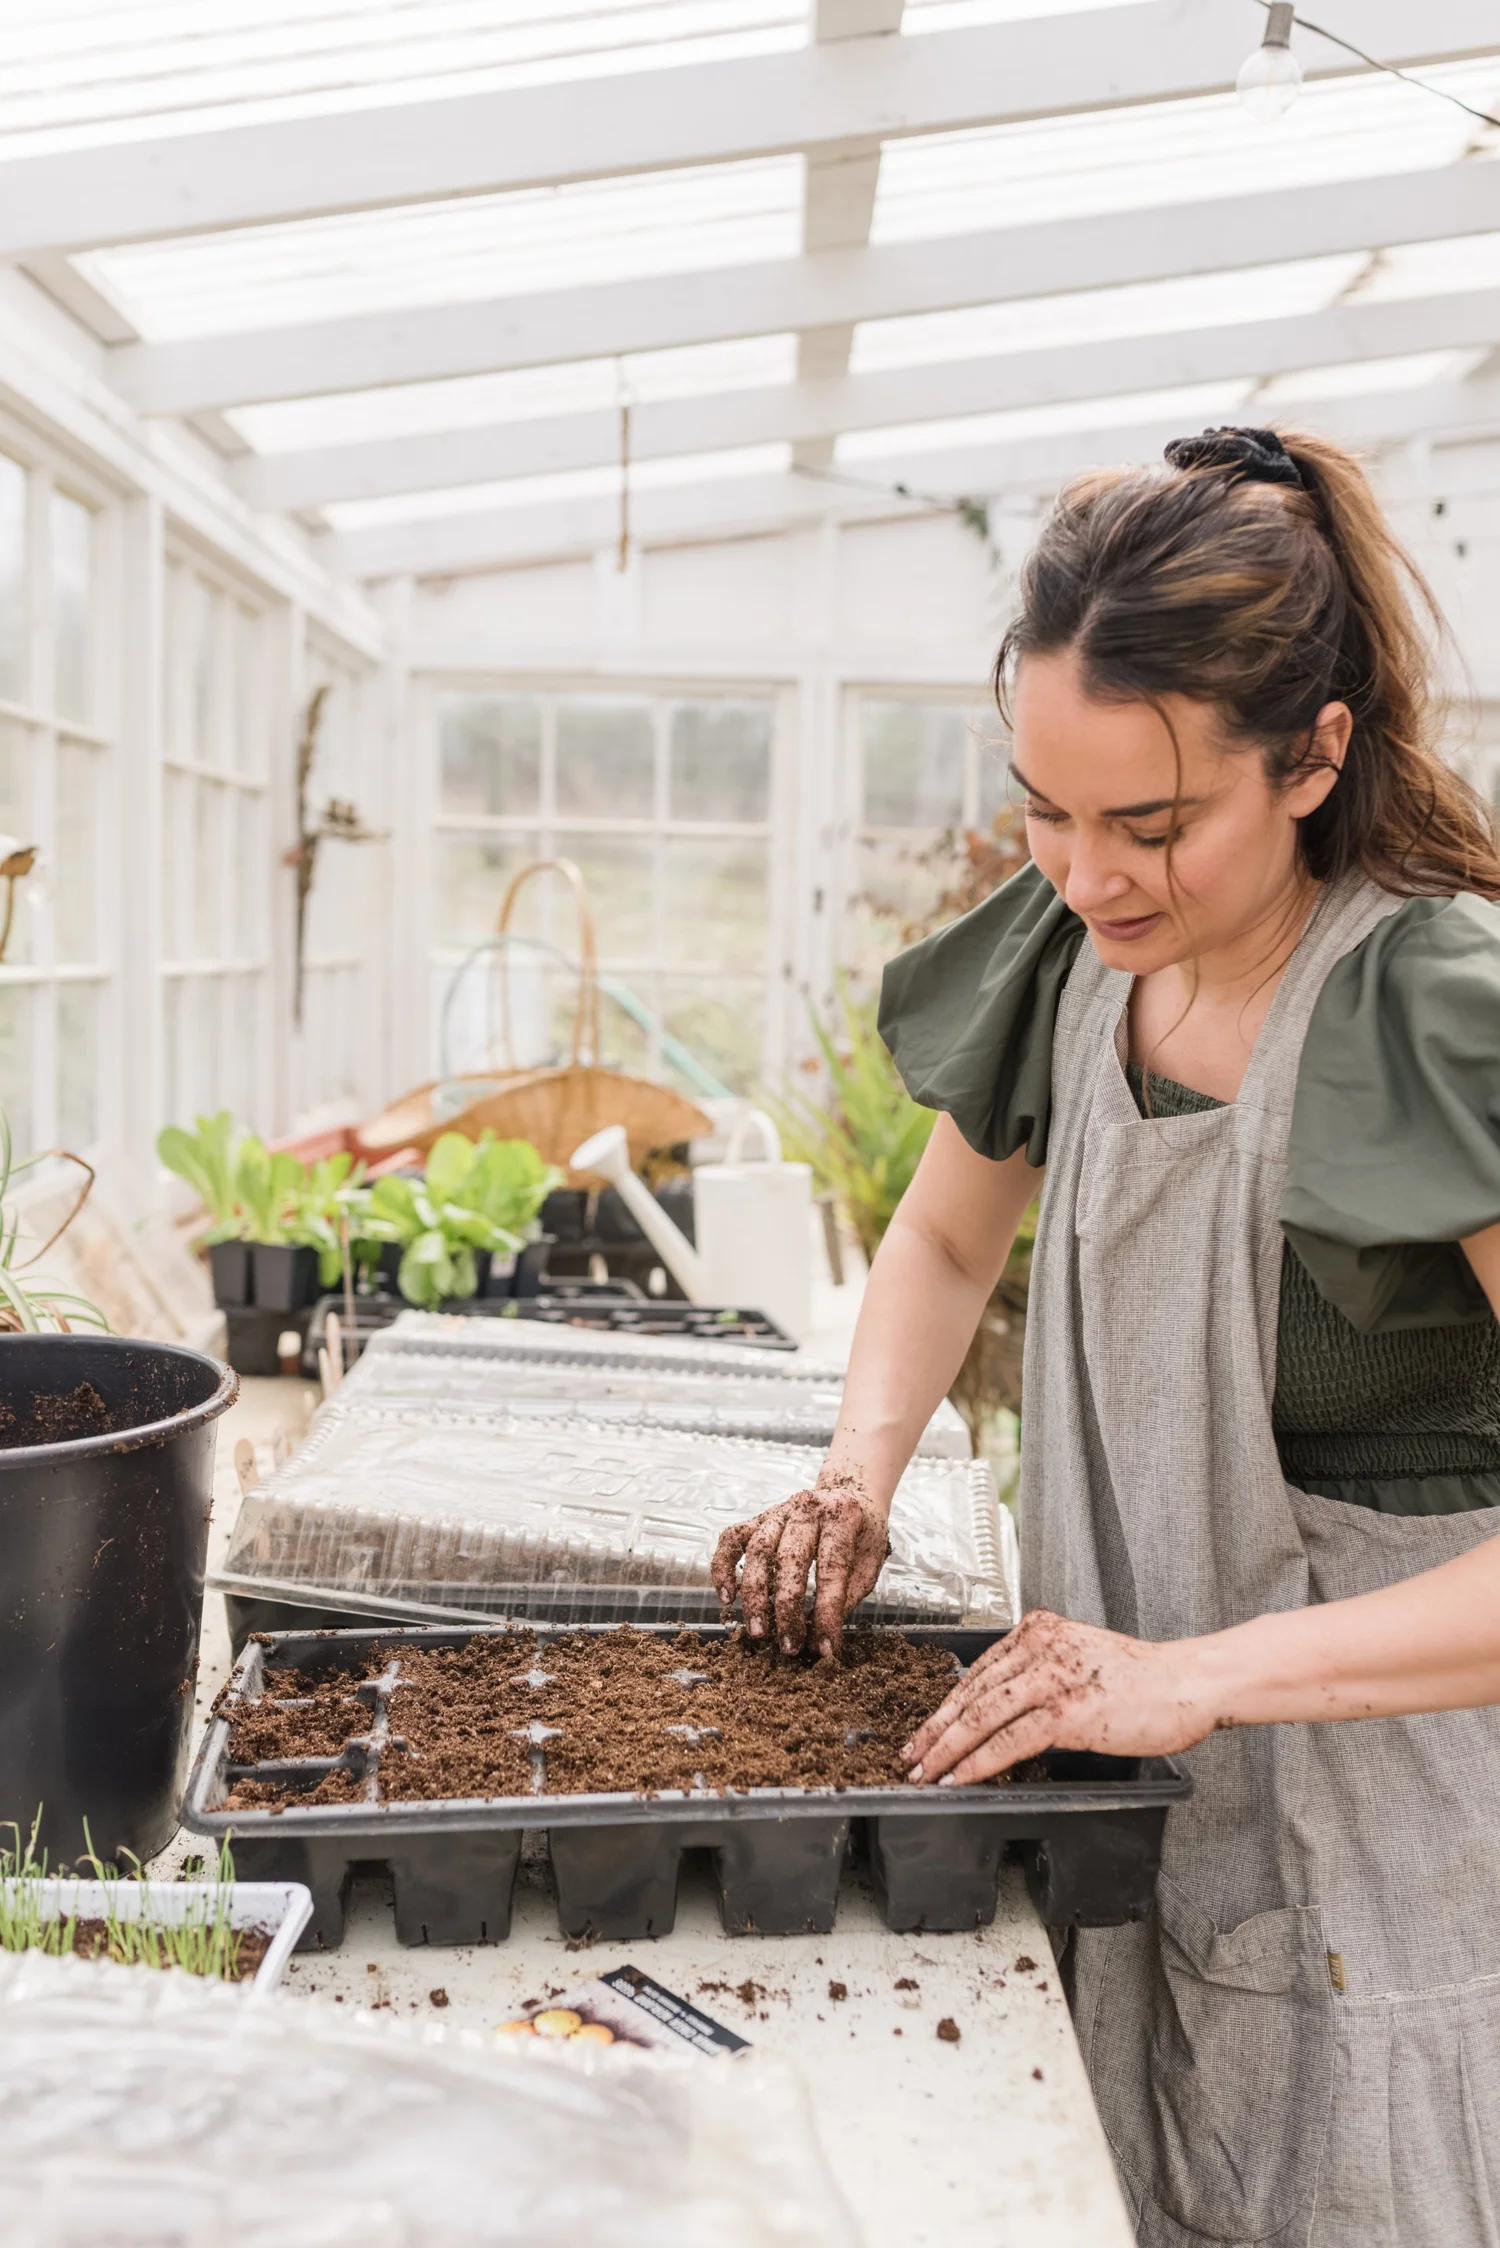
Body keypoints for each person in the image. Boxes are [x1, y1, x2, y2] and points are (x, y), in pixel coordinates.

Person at [711, 425, 1500, 2246]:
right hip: (1135, 1801)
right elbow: (940, 1236)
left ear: (1316, 756)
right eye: (1045, 812)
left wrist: (1200, 1674)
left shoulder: (1427, 1007)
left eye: (1151, 826)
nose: (1087, 874)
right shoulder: (1079, 957)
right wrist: (855, 1477)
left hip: (1402, 1854)